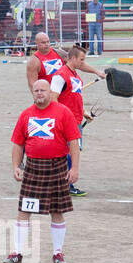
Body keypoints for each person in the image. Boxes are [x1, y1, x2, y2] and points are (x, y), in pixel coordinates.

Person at [5, 78, 81, 263]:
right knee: (24, 211)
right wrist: (16, 165)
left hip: (57, 168)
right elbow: (18, 143)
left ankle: (57, 253)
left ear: (50, 92)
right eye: (36, 90)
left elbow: (73, 142)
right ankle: (17, 252)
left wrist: (75, 168)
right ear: (33, 93)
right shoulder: (26, 115)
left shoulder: (63, 112)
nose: (39, 93)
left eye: (43, 90)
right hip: (33, 168)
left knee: (57, 211)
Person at [50, 45, 92, 197]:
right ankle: (66, 184)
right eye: (81, 60)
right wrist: (60, 118)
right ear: (72, 58)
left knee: (71, 152)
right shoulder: (60, 76)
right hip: (66, 121)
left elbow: (74, 97)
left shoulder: (75, 76)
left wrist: (84, 113)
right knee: (68, 153)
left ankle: (64, 183)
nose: (82, 62)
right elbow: (53, 99)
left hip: (76, 120)